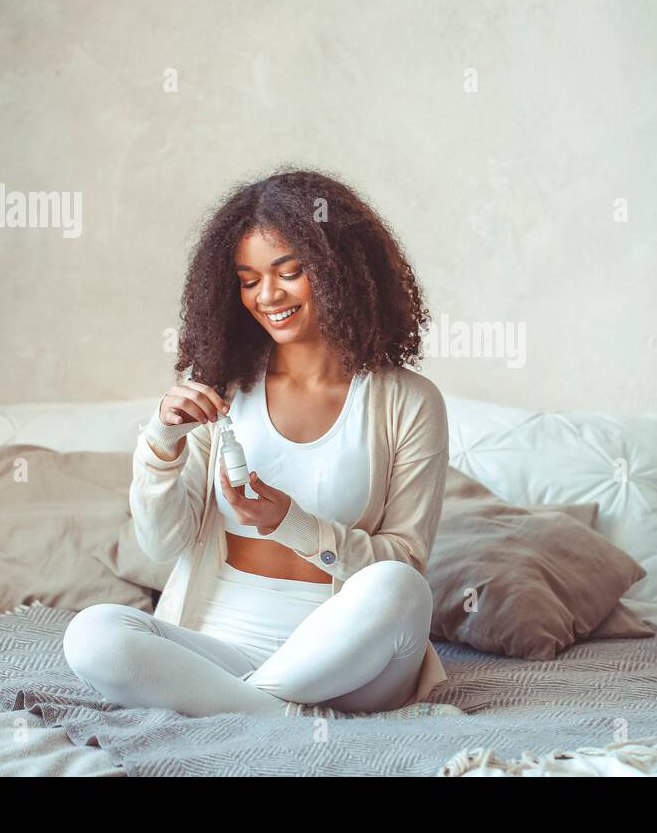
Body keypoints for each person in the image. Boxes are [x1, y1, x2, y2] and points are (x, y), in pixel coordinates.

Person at [63, 167, 450, 718]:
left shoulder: (408, 401)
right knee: (92, 633)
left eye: (289, 272)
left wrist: (290, 522)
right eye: (248, 280)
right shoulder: (222, 388)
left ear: (342, 271)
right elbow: (160, 544)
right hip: (220, 643)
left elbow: (404, 559)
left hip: (351, 660)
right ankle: (279, 714)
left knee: (400, 587)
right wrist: (162, 444)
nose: (267, 295)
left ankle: (239, 707)